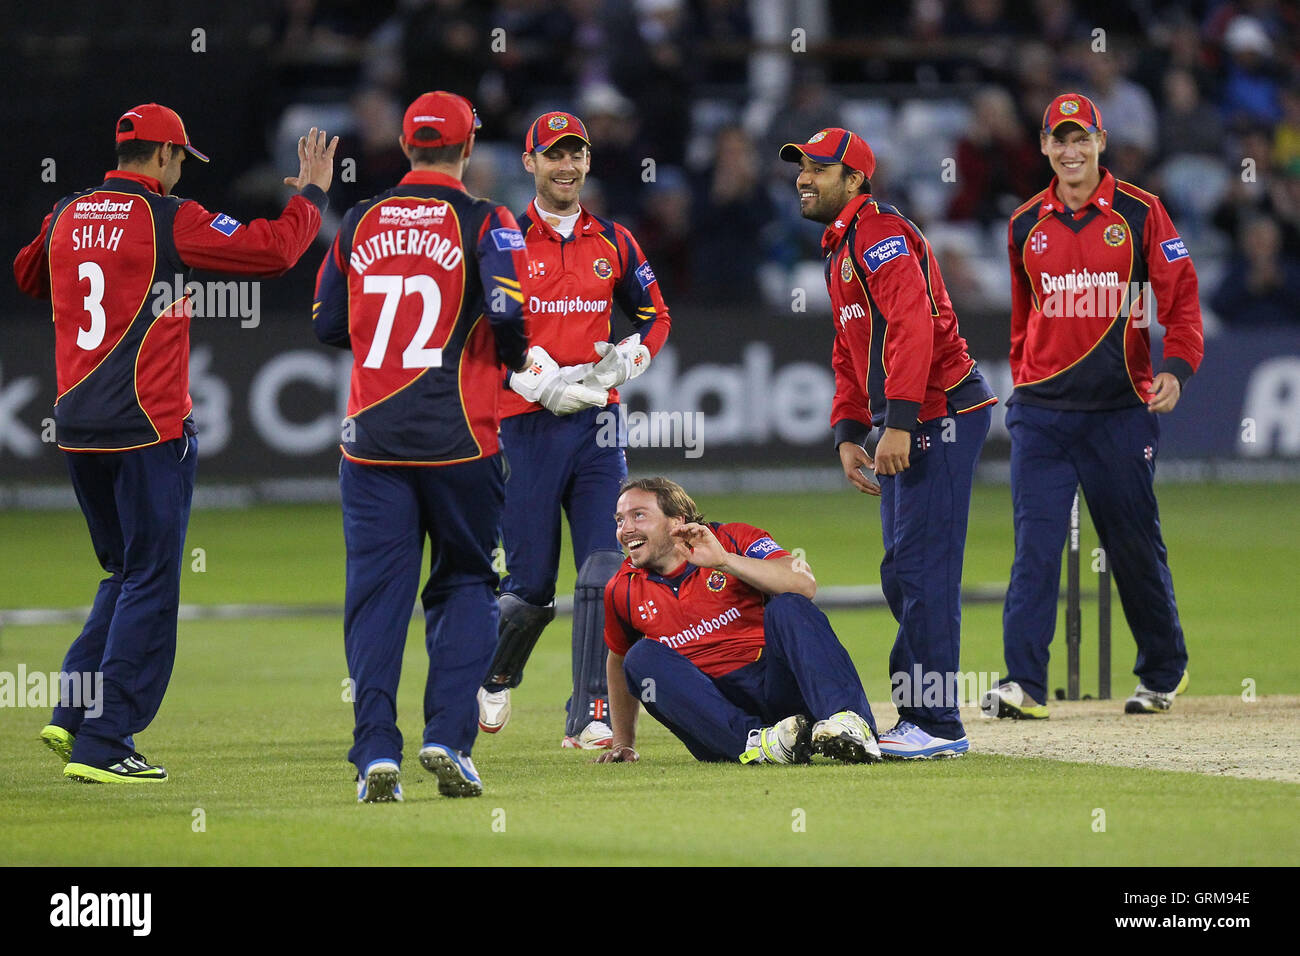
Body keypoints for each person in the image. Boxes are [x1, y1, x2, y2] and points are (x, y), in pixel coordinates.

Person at [14, 103, 336, 783]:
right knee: (153, 582)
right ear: (164, 157)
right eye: (182, 158)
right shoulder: (169, 218)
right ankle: (107, 742)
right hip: (148, 428)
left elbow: (27, 275)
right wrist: (310, 195)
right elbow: (274, 250)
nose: (181, 168)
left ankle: (71, 710)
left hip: (75, 428)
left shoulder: (67, 212)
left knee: (123, 573)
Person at [312, 91, 536, 802]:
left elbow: (325, 323)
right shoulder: (486, 218)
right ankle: (447, 738)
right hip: (461, 438)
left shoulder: (360, 219)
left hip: (372, 442)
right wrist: (515, 355)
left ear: (408, 147)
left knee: (377, 600)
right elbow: (505, 306)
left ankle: (376, 751)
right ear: (468, 149)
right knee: (467, 586)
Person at [984, 93, 1204, 719]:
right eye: (1061, 139)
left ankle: (1163, 670)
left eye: (1083, 139)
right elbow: (1024, 316)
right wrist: (1026, 385)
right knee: (1036, 546)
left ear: (1101, 143)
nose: (1072, 150)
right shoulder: (1025, 222)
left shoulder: (1141, 212)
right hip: (1043, 415)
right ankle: (1024, 684)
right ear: (1046, 147)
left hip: (1120, 412)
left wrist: (1178, 368)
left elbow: (1181, 300)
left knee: (1131, 543)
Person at [782, 127, 996, 759]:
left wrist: (899, 420)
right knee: (904, 572)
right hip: (912, 417)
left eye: (818, 169)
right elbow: (851, 348)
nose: (803, 177)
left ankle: (936, 724)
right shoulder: (842, 245)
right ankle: (922, 716)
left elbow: (912, 325)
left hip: (943, 413)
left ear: (855, 179)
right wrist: (851, 428)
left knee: (923, 571)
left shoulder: (879, 234)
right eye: (802, 167)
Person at [477, 110, 672, 750]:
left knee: (604, 567)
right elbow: (482, 328)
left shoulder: (614, 239)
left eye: (577, 154)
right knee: (531, 586)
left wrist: (628, 359)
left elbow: (655, 315)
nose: (567, 166)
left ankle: (589, 711)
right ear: (528, 162)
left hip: (598, 426)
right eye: (553, 155)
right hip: (524, 428)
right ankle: (496, 672)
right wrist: (535, 380)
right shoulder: (503, 236)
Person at [595, 477, 880, 765]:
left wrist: (725, 561)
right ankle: (758, 744)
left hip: (776, 687)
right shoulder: (622, 588)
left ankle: (851, 724)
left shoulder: (733, 539)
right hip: (715, 715)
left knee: (789, 605)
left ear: (676, 521)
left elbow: (803, 583)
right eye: (620, 520)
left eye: (638, 515)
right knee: (640, 657)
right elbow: (618, 661)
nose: (625, 529)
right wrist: (623, 742)